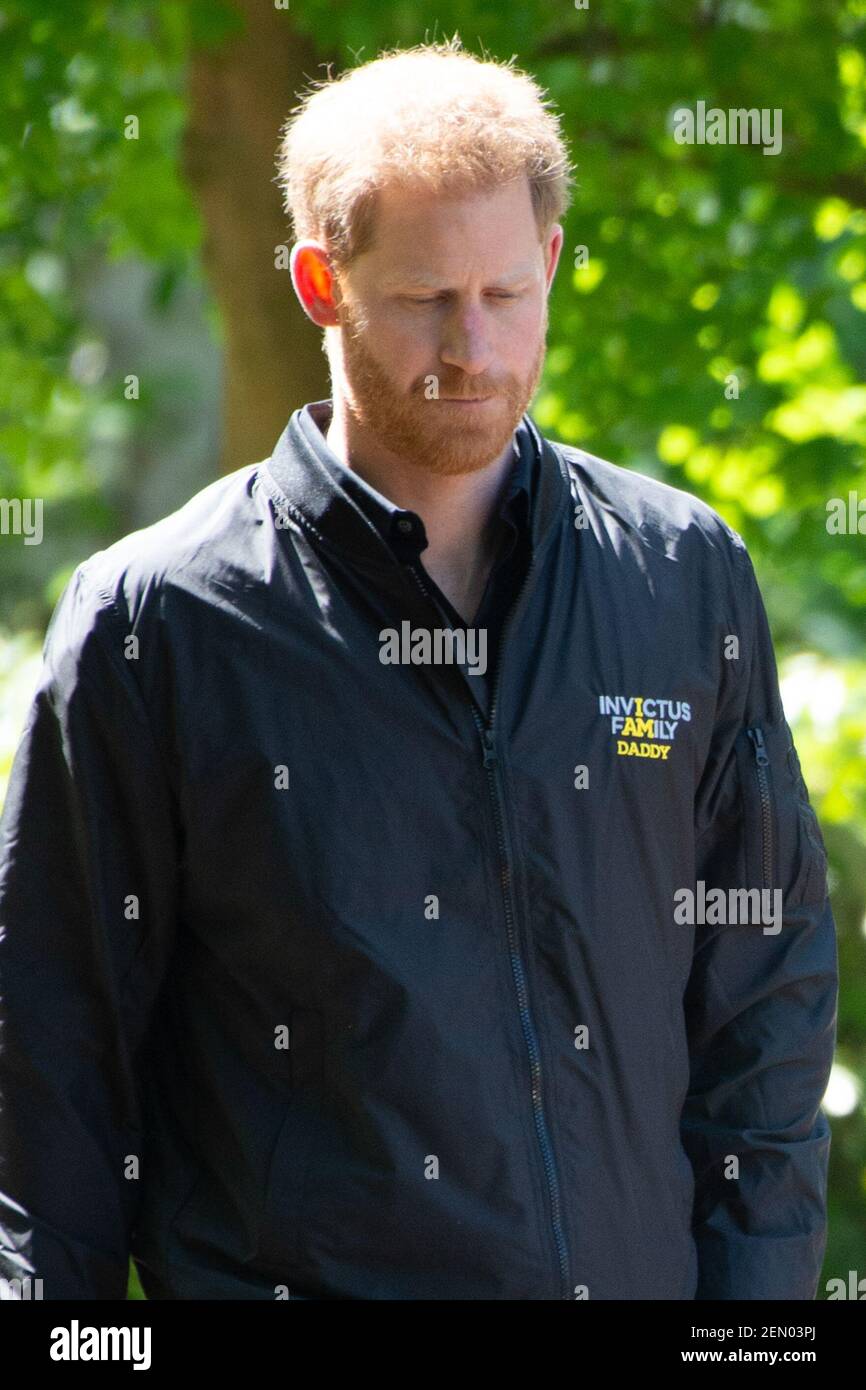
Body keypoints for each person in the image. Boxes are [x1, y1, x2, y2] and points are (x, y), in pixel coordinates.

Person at [0, 37, 837, 1301]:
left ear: (550, 261)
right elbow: (52, 1079)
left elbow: (761, 1007)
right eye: (422, 300)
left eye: (505, 294)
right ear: (317, 283)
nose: (472, 348)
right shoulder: (152, 623)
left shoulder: (680, 574)